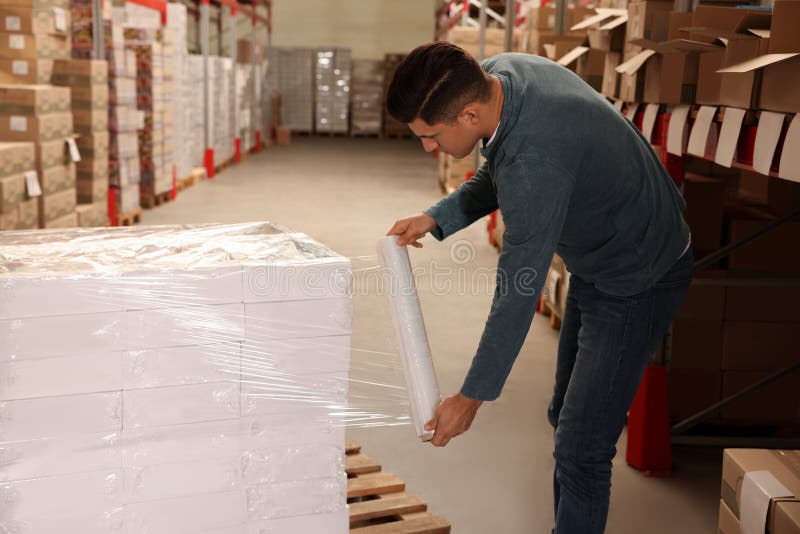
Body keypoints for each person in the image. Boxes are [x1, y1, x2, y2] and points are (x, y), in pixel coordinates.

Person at [384, 41, 693, 534]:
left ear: (468, 114)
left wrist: (471, 397)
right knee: (563, 414)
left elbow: (518, 292)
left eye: (431, 135)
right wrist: (435, 217)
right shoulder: (503, 76)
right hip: (602, 255)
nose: (427, 147)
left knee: (582, 446)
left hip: (638, 273)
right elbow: (498, 171)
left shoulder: (535, 165)